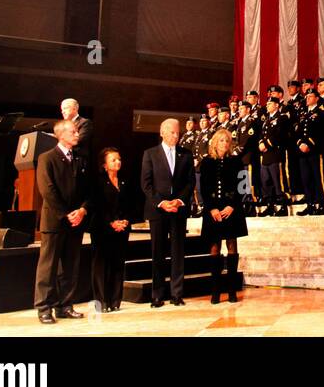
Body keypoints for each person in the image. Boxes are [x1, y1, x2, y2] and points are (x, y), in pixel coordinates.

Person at [33, 119, 89, 324]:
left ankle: (65, 305)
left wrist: (82, 210)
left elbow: (87, 190)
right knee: (48, 267)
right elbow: (47, 190)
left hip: (76, 221)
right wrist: (66, 214)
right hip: (55, 221)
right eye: (73, 131)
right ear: (61, 135)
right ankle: (44, 308)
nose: (77, 134)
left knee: (70, 267)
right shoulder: (47, 158)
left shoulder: (81, 159)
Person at [140, 118, 194, 307]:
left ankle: (176, 293)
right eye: (172, 132)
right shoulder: (150, 154)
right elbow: (146, 184)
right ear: (162, 132)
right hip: (158, 211)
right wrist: (162, 203)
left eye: (178, 132)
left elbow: (190, 182)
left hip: (178, 210)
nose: (176, 135)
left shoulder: (186, 154)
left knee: (178, 252)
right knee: (158, 252)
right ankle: (157, 294)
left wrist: (179, 201)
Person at [199, 129, 248, 304]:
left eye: (227, 141)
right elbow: (203, 188)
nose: (224, 144)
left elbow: (243, 187)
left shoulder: (236, 161)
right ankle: (215, 291)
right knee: (214, 248)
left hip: (231, 209)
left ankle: (232, 290)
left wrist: (232, 206)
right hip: (213, 210)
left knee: (231, 245)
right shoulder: (206, 162)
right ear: (214, 143)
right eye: (221, 141)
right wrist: (211, 208)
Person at [90, 147, 136, 312]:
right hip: (103, 228)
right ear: (104, 165)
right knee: (101, 265)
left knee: (118, 264)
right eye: (113, 160)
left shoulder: (124, 180)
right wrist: (111, 222)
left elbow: (131, 203)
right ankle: (101, 302)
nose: (118, 162)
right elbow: (97, 206)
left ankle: (115, 301)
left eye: (119, 159)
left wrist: (125, 221)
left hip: (122, 229)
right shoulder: (98, 181)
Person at [293, 88, 324, 215]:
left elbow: (322, 133)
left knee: (317, 177)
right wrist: (299, 143)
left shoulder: (321, 113)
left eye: (310, 96)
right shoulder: (302, 113)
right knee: (305, 178)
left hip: (314, 150)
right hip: (302, 151)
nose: (307, 98)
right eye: (306, 96)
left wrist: (308, 144)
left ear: (317, 98)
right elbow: (297, 132)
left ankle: (320, 204)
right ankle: (309, 204)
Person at [257, 94, 290, 216]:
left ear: (276, 105)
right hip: (266, 156)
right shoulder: (266, 120)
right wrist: (261, 142)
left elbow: (280, 135)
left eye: (270, 104)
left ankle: (283, 206)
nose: (267, 105)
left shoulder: (282, 118)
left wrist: (266, 144)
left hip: (276, 154)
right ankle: (270, 206)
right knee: (266, 181)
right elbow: (261, 134)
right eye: (267, 104)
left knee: (278, 181)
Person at [59, 97, 93, 162]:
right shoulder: (63, 125)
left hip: (78, 159)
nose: (62, 111)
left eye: (65, 108)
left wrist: (61, 140)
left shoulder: (85, 122)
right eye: (61, 109)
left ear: (75, 108)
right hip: (64, 159)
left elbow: (80, 140)